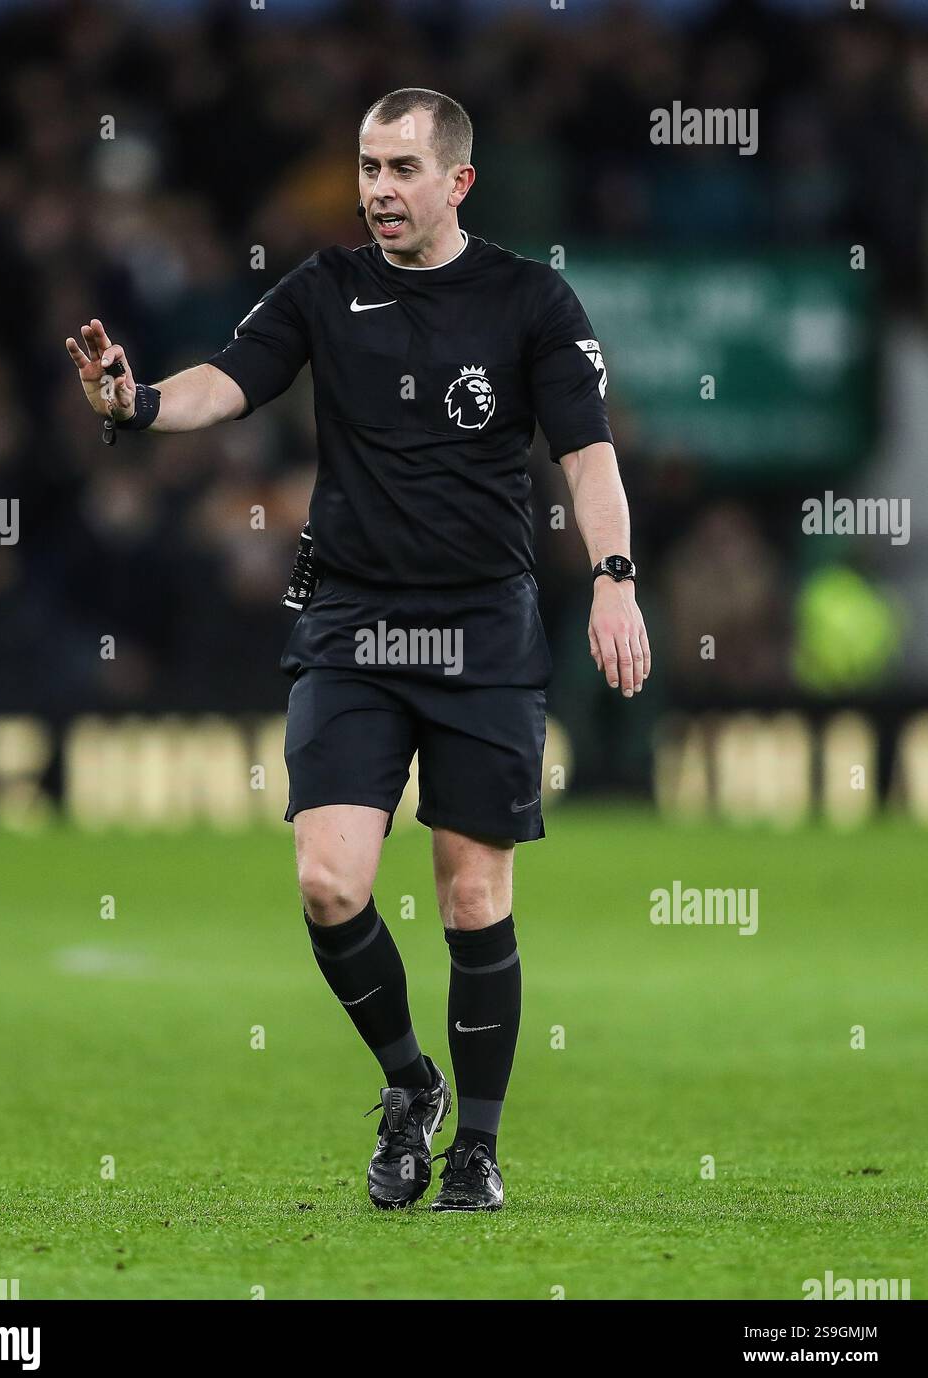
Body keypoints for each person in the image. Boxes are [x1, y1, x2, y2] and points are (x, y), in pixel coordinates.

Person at [65, 87, 651, 1213]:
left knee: (473, 896)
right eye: (367, 168)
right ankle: (409, 1085)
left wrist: (615, 583)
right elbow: (224, 385)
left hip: (483, 627)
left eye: (399, 170)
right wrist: (135, 402)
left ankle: (475, 1149)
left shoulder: (532, 300)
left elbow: (587, 457)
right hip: (352, 625)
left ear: (457, 183)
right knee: (330, 882)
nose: (377, 189)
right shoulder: (326, 289)